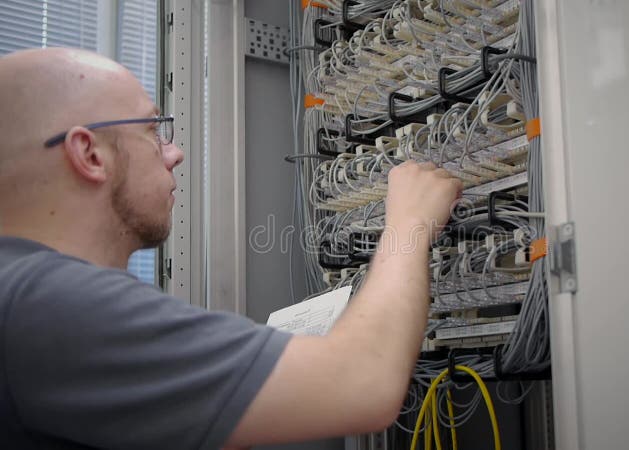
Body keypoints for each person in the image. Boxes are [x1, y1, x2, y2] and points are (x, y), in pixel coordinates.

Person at [0, 48, 462, 449]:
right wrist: (409, 224)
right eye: (152, 130)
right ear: (90, 154)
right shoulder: (50, 303)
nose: (173, 152)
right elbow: (365, 382)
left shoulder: (25, 295)